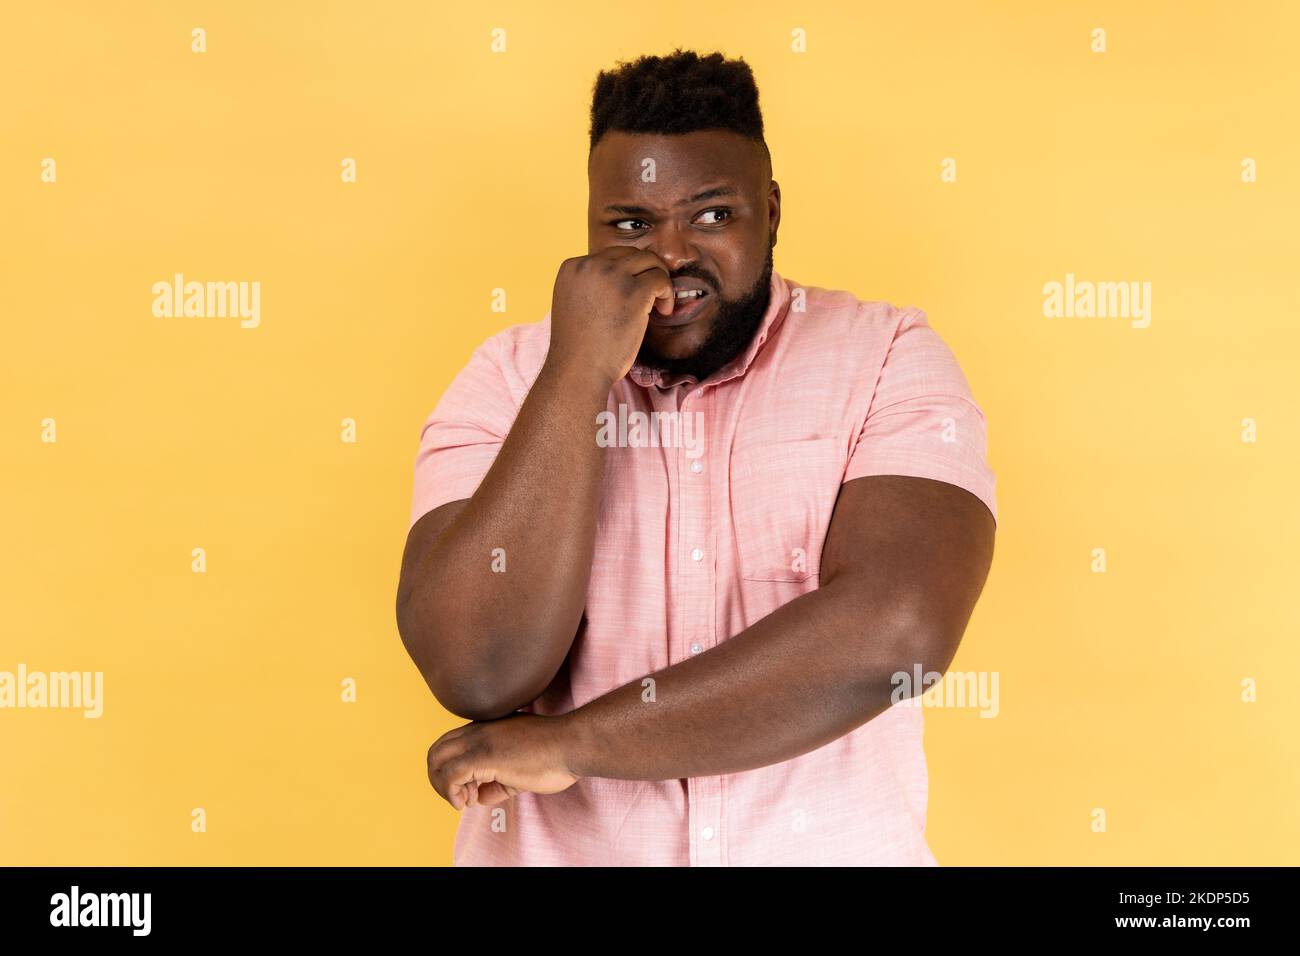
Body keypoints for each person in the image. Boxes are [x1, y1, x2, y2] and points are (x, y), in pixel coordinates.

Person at [396, 48, 997, 865]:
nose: (672, 255)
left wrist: (570, 746)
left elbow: (898, 633)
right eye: (631, 225)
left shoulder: (889, 355)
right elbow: (476, 668)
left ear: (772, 211)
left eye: (713, 215)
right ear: (588, 227)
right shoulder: (506, 379)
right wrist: (576, 372)